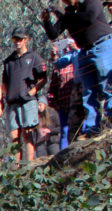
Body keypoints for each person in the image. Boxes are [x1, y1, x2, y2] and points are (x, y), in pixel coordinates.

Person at [41, 0, 112, 135]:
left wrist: (66, 16)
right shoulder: (69, 13)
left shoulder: (91, 2)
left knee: (107, 85)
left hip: (102, 45)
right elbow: (54, 34)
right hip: (84, 51)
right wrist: (46, 21)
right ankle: (92, 129)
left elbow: (89, 18)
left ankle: (111, 120)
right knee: (88, 92)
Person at [3, 29, 49, 162]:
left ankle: (30, 166)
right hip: (12, 102)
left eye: (19, 39)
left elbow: (43, 78)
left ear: (26, 39)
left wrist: (32, 92)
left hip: (28, 101)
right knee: (14, 136)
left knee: (27, 134)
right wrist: (7, 95)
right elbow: (4, 81)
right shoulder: (8, 61)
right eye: (14, 39)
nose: (17, 42)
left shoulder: (33, 57)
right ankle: (15, 167)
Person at [47, 40, 83, 146]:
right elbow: (52, 87)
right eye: (65, 47)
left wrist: (77, 48)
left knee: (79, 127)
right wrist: (54, 56)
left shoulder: (80, 56)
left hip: (78, 99)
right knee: (64, 132)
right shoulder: (67, 60)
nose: (67, 48)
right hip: (63, 104)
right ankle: (64, 155)